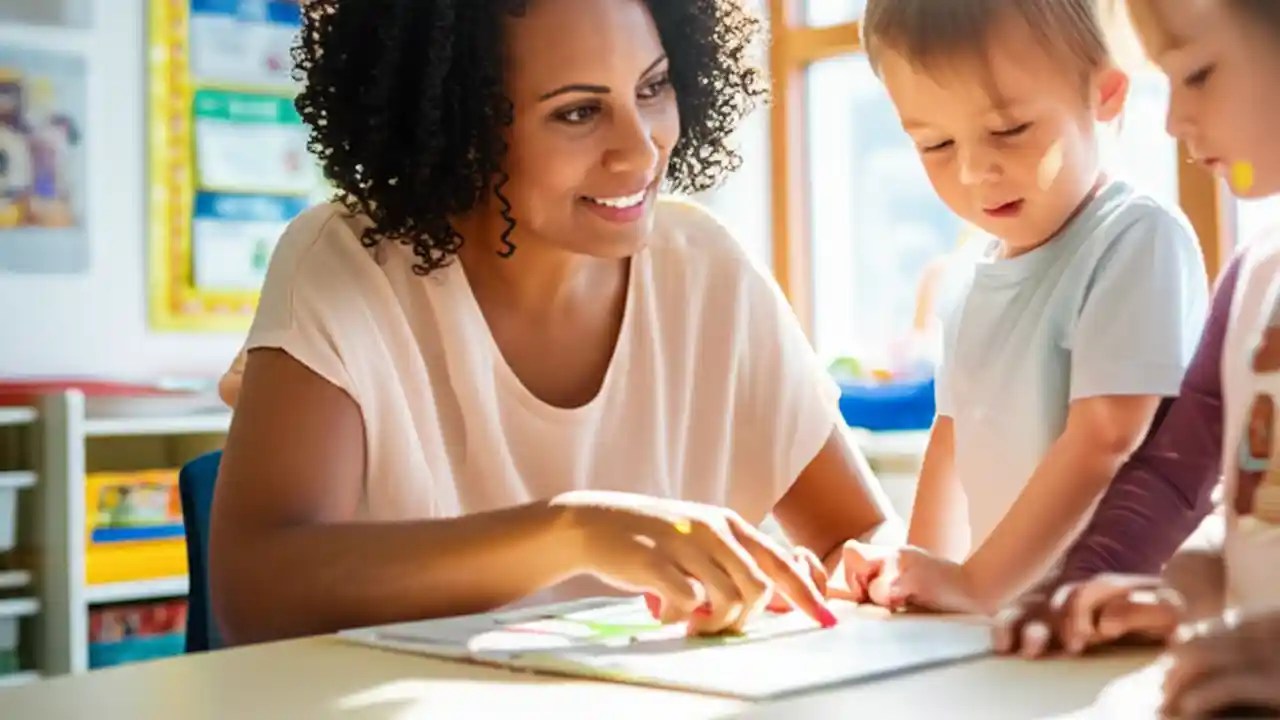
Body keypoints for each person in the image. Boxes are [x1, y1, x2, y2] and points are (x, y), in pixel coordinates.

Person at [209, 0, 900, 645]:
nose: (640, 149)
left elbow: (860, 535)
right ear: (458, 125)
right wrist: (569, 532)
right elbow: (256, 592)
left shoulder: (706, 268)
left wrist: (866, 579)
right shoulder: (345, 267)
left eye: (653, 87)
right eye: (577, 113)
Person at [836, 0, 1208, 615]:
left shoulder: (1136, 237)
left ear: (1106, 95)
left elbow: (1107, 434)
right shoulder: (967, 276)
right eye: (935, 144)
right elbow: (953, 439)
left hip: (1113, 623)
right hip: (1019, 622)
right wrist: (919, 573)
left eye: (1009, 130)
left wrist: (977, 583)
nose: (976, 170)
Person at [992, 0, 1280, 715]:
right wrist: (1134, 586)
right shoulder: (1255, 281)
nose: (1174, 119)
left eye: (1199, 74)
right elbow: (1182, 479)